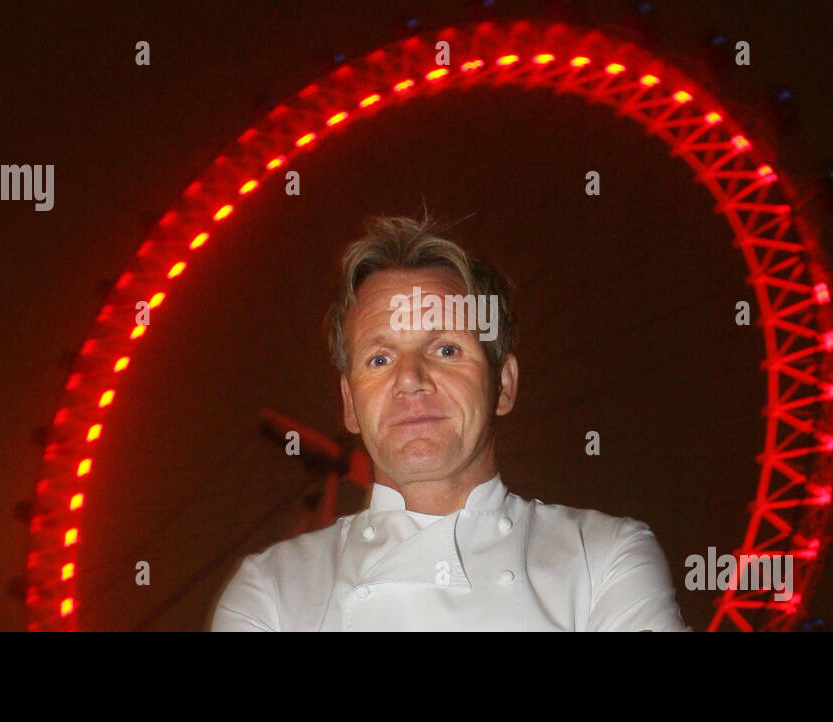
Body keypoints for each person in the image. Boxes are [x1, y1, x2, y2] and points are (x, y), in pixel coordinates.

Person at [211, 213, 689, 631]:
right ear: (350, 404)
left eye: (445, 349)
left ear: (503, 383)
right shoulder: (267, 588)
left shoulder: (605, 557)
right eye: (379, 359)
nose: (410, 379)